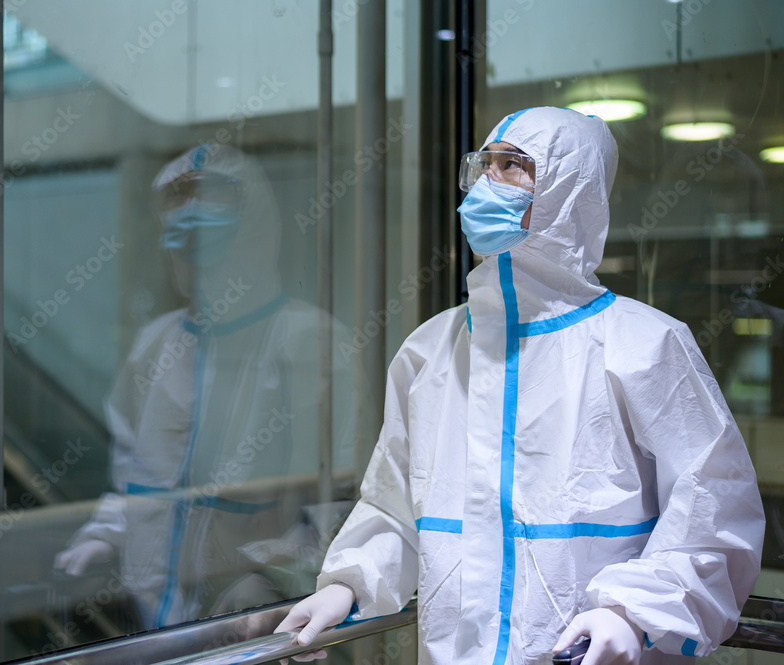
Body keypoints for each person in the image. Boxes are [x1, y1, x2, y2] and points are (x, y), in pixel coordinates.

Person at [275, 107, 765, 665]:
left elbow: (713, 513)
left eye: (513, 166)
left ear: (568, 189)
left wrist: (632, 612)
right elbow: (394, 503)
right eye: (484, 165)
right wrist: (349, 583)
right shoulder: (431, 349)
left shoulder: (644, 344)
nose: (489, 182)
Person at [54, 143, 356, 631]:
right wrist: (105, 536)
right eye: (178, 200)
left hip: (257, 620)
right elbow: (133, 474)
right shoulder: (156, 344)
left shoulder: (311, 342)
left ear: (255, 224)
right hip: (150, 615)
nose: (190, 212)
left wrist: (275, 581)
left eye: (209, 196)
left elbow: (342, 498)